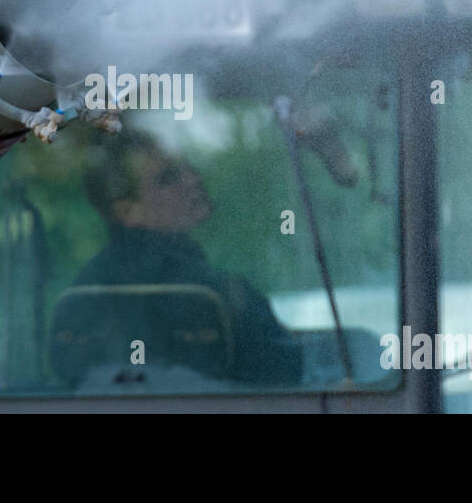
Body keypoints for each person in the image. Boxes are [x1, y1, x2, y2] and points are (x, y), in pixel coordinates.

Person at [73, 131, 302, 386]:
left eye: (189, 168)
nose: (193, 179)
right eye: (168, 179)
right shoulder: (209, 291)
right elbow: (286, 373)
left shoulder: (86, 285)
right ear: (128, 211)